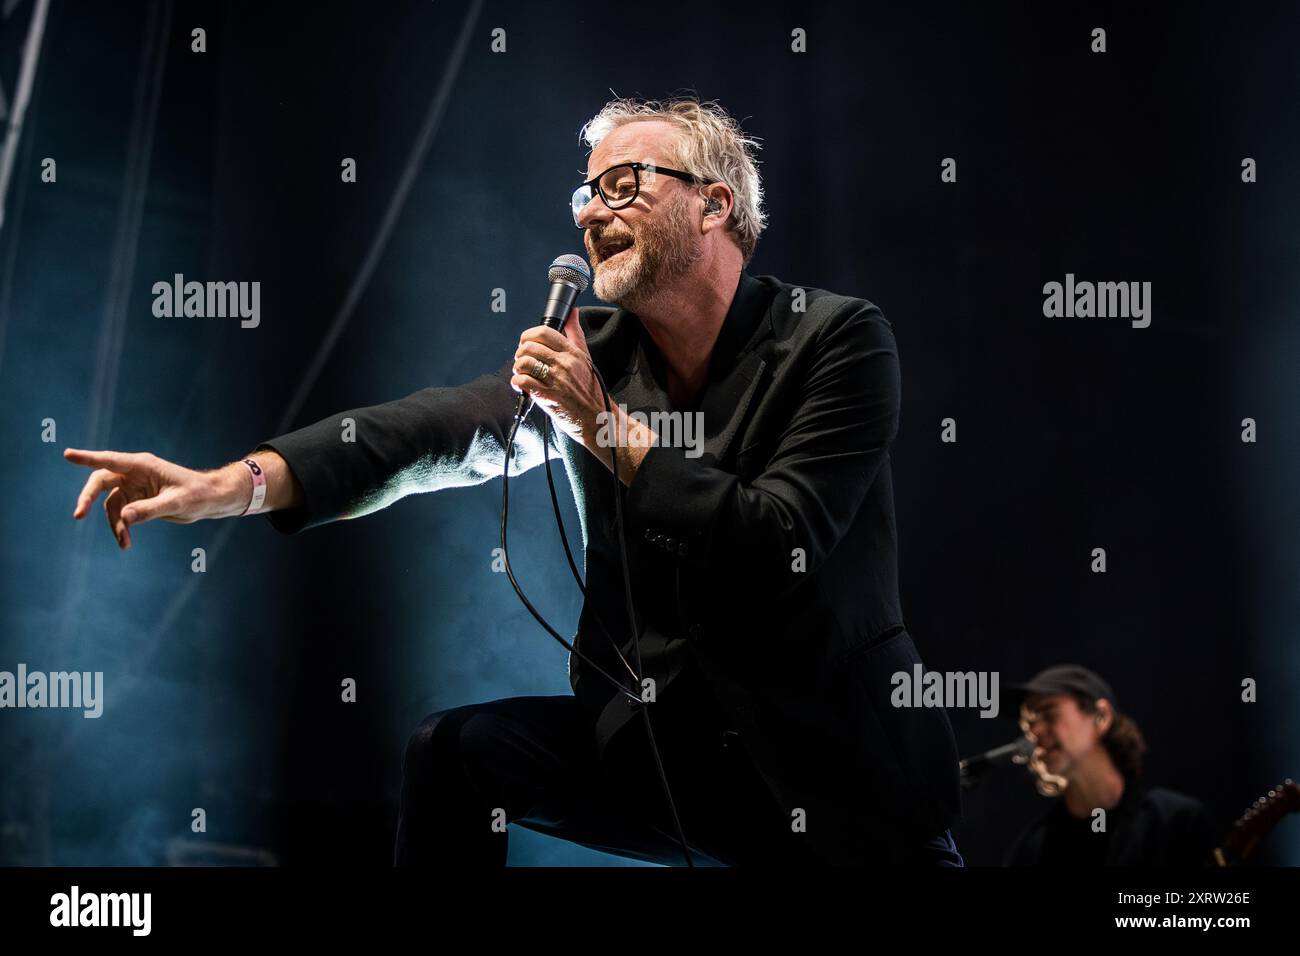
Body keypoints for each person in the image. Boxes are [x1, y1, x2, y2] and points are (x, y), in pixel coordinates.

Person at [65, 95, 961, 866]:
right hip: (669, 759)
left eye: (621, 187)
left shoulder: (835, 339)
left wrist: (605, 429)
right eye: (585, 194)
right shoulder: (598, 355)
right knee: (457, 752)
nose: (590, 215)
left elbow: (779, 542)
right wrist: (236, 484)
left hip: (837, 774)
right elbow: (429, 433)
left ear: (714, 204)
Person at [1003, 665, 1214, 866]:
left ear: (1101, 716)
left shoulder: (1177, 823)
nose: (1034, 733)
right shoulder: (1031, 850)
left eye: (1048, 714)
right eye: (1028, 725)